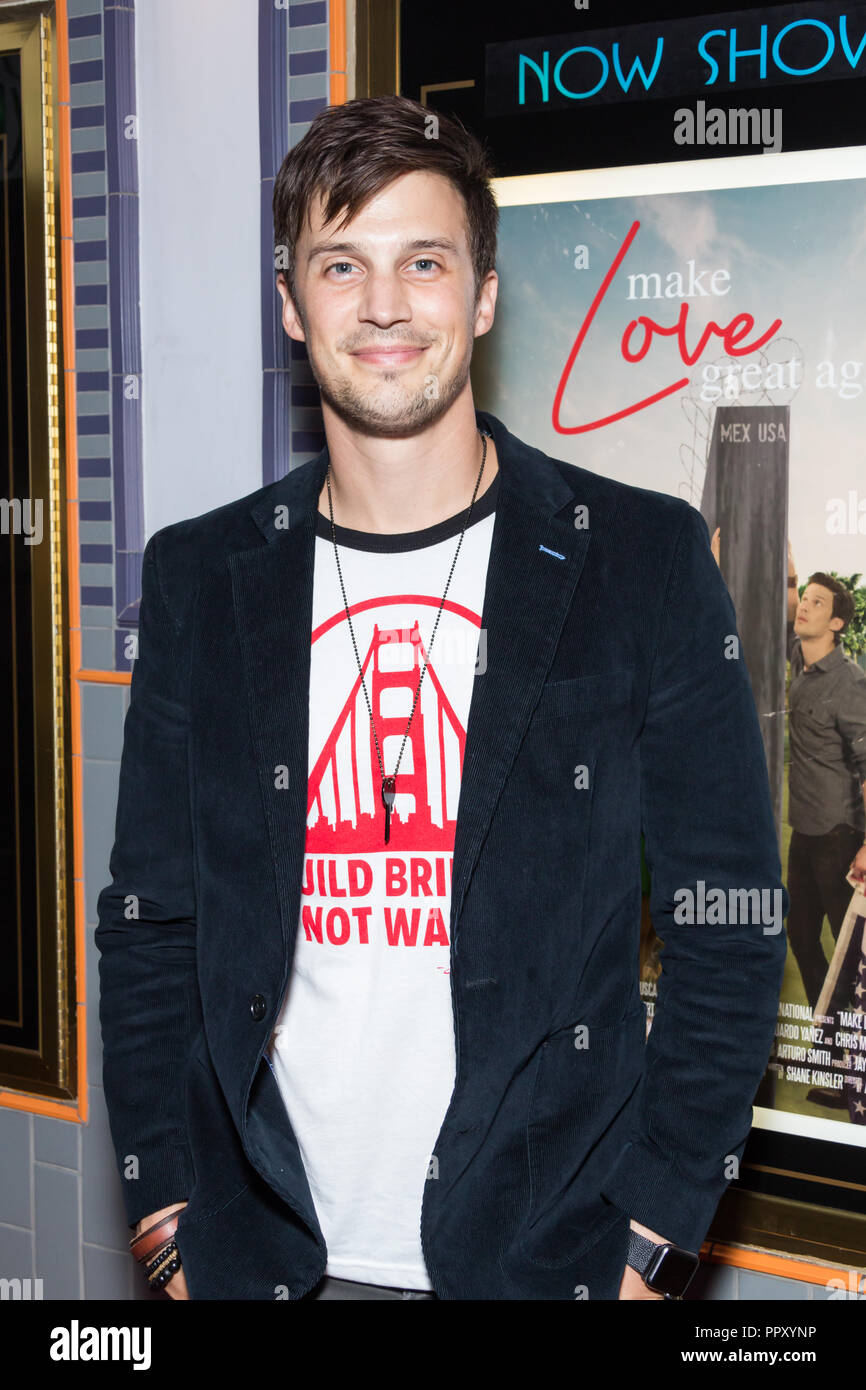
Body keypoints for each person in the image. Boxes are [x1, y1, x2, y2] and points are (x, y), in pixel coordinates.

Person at [96, 94, 787, 1302]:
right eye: (339, 264)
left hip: (549, 1257)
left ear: (480, 294)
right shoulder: (204, 579)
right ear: (289, 303)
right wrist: (163, 1222)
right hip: (264, 1253)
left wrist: (652, 1244)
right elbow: (151, 921)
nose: (381, 305)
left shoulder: (639, 560)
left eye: (422, 262)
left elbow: (725, 926)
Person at [784, 563, 866, 1107]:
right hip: (804, 834)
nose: (804, 607)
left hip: (840, 835)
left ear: (836, 623)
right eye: (803, 600)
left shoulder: (851, 682)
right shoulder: (800, 661)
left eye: (816, 603)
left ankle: (855, 1072)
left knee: (850, 956)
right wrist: (786, 565)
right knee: (799, 937)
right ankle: (834, 1052)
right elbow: (784, 595)